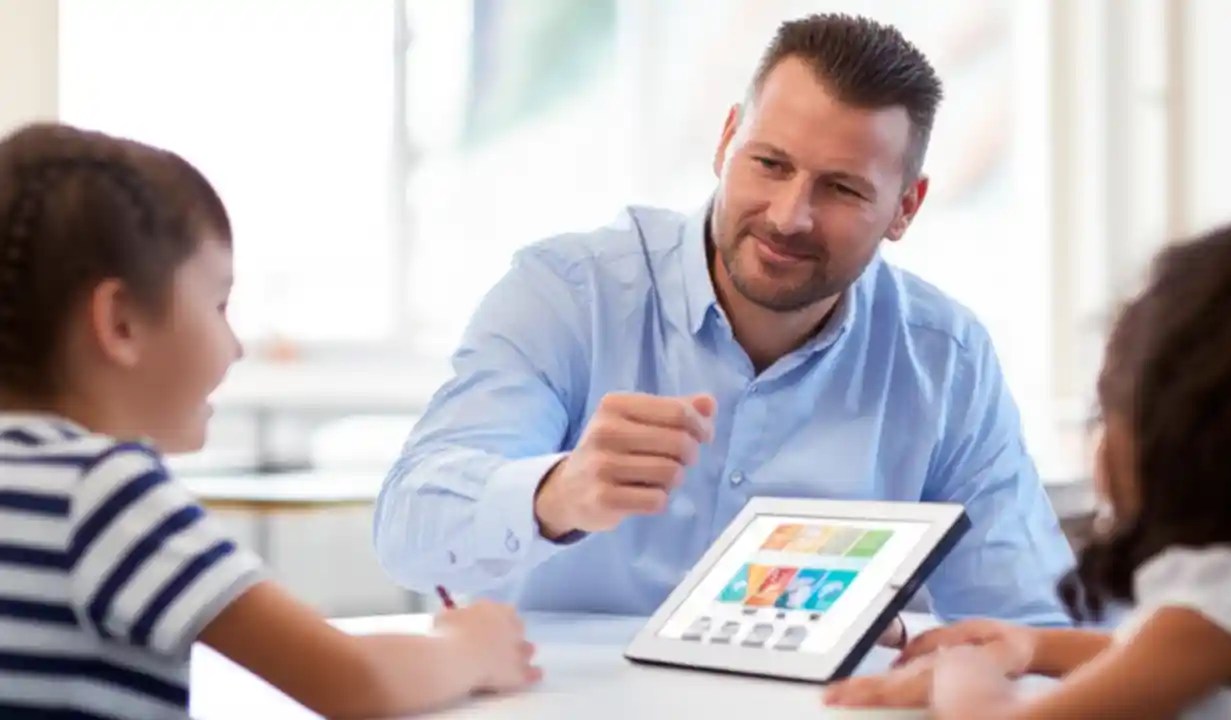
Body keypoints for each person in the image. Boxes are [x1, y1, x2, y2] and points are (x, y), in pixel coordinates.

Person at [374, 13, 1073, 640]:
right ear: (726, 142)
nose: (788, 215)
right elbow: (408, 527)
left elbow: (1028, 619)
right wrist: (556, 494)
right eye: (770, 164)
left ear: (905, 208)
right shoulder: (566, 294)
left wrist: (917, 646)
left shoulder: (944, 361)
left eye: (842, 188)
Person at [0, 123, 539, 719]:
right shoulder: (98, 493)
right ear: (121, 322)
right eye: (219, 304)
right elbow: (353, 682)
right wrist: (470, 649)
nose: (235, 347)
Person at [825, 223, 1231, 718]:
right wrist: (1031, 646)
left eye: (1105, 410)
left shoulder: (1223, 598)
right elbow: (1148, 661)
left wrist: (963, 674)